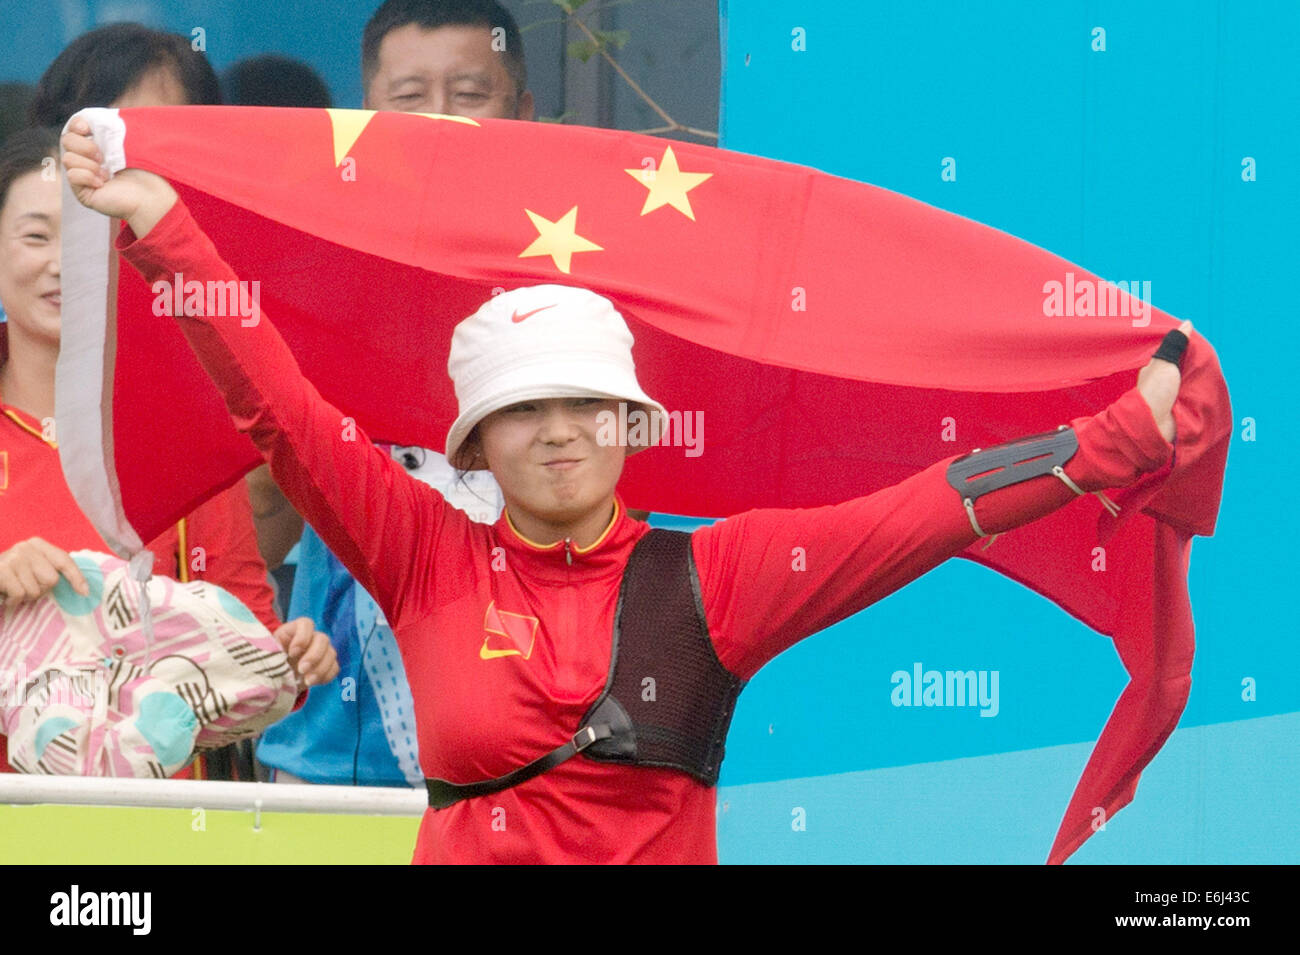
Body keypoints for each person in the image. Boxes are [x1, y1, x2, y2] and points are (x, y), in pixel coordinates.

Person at [61, 116, 1191, 863]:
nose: (558, 433)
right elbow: (280, 411)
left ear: (631, 427)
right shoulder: (417, 552)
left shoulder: (721, 577)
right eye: (523, 412)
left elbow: (921, 511)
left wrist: (1106, 445)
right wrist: (166, 231)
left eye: (585, 406)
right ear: (472, 447)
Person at [256, 0, 533, 787]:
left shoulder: (582, 290)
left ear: (524, 114)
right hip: (331, 773)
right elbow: (260, 530)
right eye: (410, 98)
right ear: (366, 115)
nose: (439, 122)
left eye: (470, 94)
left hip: (536, 766)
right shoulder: (308, 278)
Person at [0, 129, 335, 775]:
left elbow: (239, 650)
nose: (62, 263)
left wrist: (285, 662)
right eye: (36, 236)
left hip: (153, 823)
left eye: (84, 240)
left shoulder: (177, 434)